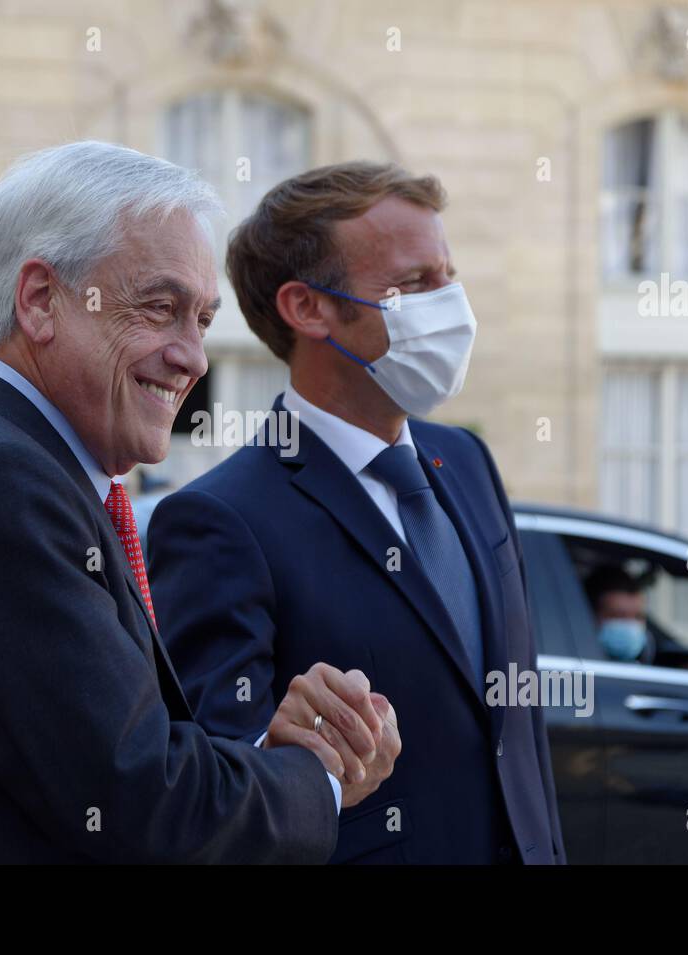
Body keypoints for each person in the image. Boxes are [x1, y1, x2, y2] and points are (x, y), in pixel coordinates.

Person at [0, 142, 399, 863]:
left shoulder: (21, 466)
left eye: (203, 319)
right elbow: (142, 808)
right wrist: (317, 773)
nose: (194, 357)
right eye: (161, 308)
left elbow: (112, 769)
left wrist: (270, 750)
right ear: (39, 300)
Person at [148, 161, 564, 864]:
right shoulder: (218, 520)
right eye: (412, 284)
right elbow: (222, 784)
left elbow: (514, 728)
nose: (450, 304)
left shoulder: (465, 460)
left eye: (448, 275)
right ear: (307, 308)